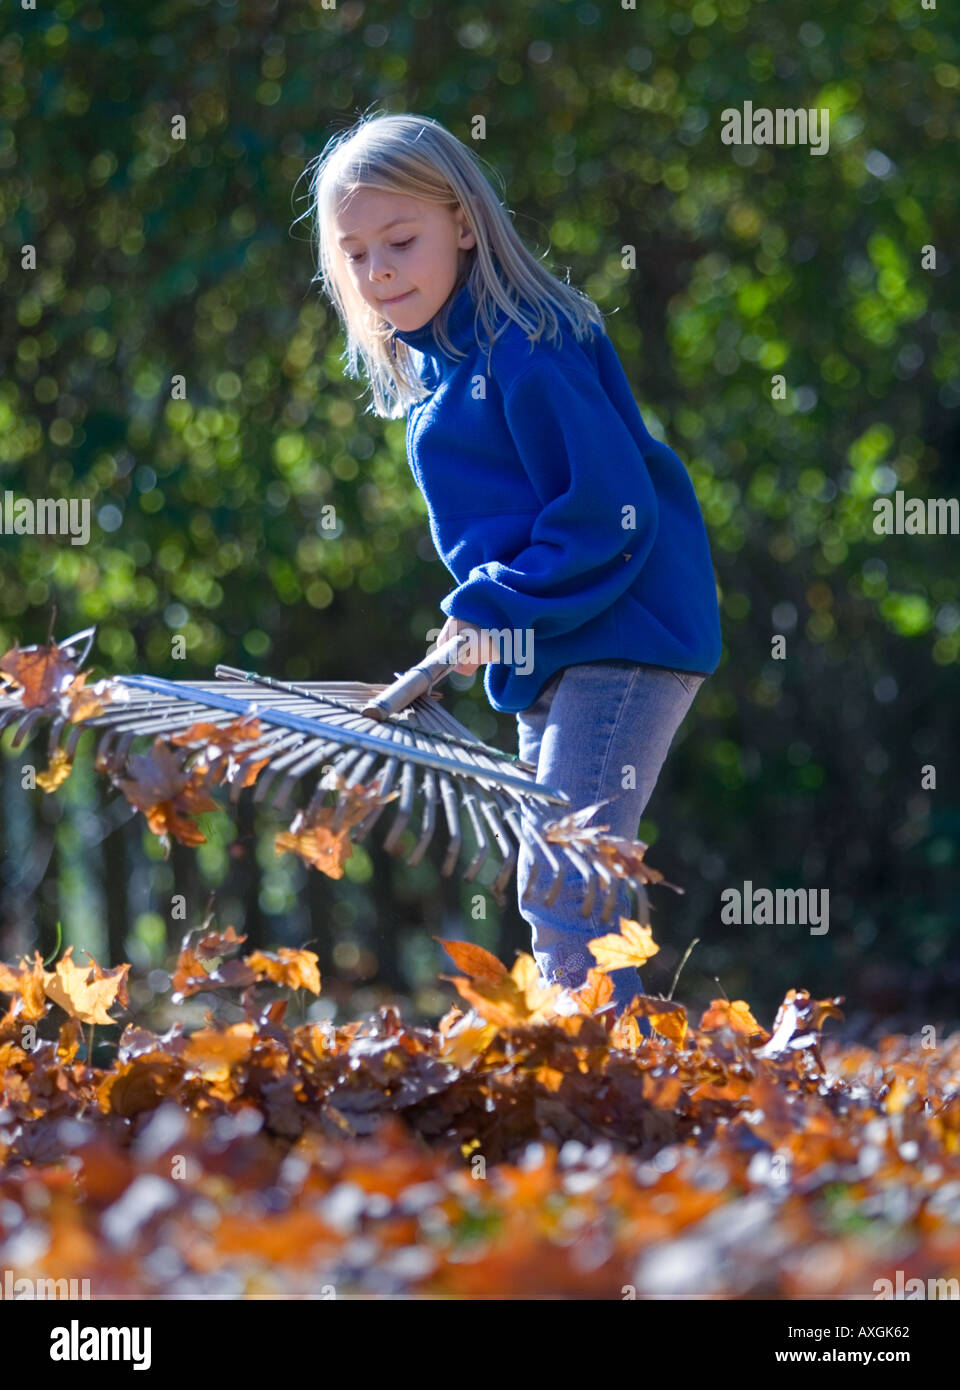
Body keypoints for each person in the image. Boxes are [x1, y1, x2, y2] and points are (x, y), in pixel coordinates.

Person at [301, 112, 722, 1015]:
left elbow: (608, 512)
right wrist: (487, 617)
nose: (380, 272)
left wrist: (495, 605)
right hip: (552, 645)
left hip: (627, 631)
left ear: (463, 222)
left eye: (401, 242)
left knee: (568, 869)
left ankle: (612, 1098)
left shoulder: (529, 345)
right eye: (358, 254)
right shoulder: (437, 380)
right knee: (560, 870)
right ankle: (609, 1081)